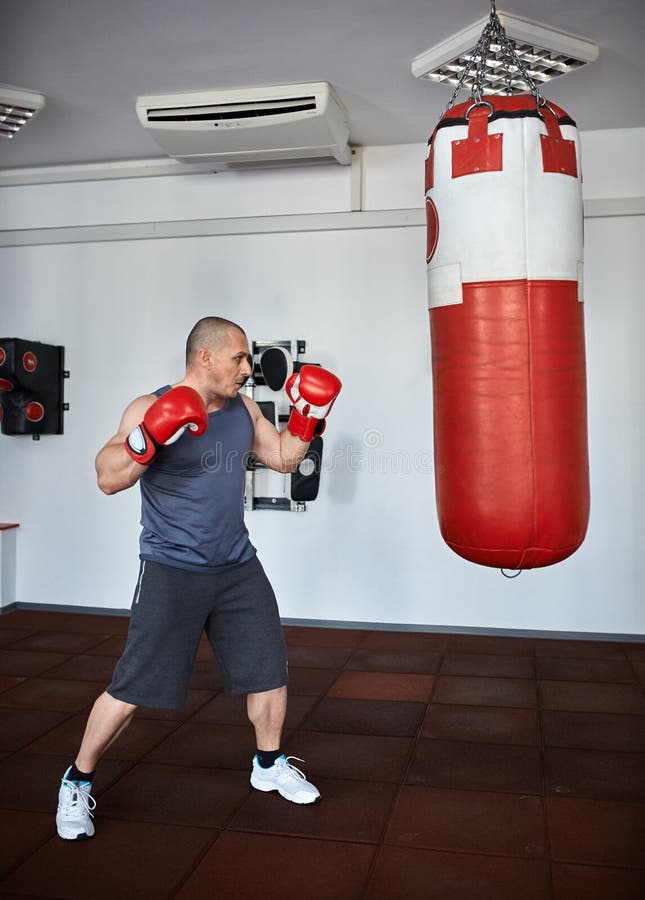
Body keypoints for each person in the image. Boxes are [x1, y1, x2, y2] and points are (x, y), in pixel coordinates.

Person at [55, 316, 342, 840]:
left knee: (269, 670)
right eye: (238, 358)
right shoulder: (149, 406)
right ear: (204, 358)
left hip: (236, 566)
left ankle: (269, 763)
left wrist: (308, 419)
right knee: (132, 687)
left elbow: (281, 457)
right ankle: (77, 779)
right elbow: (106, 476)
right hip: (170, 568)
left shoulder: (243, 410)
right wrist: (149, 438)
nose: (247, 368)